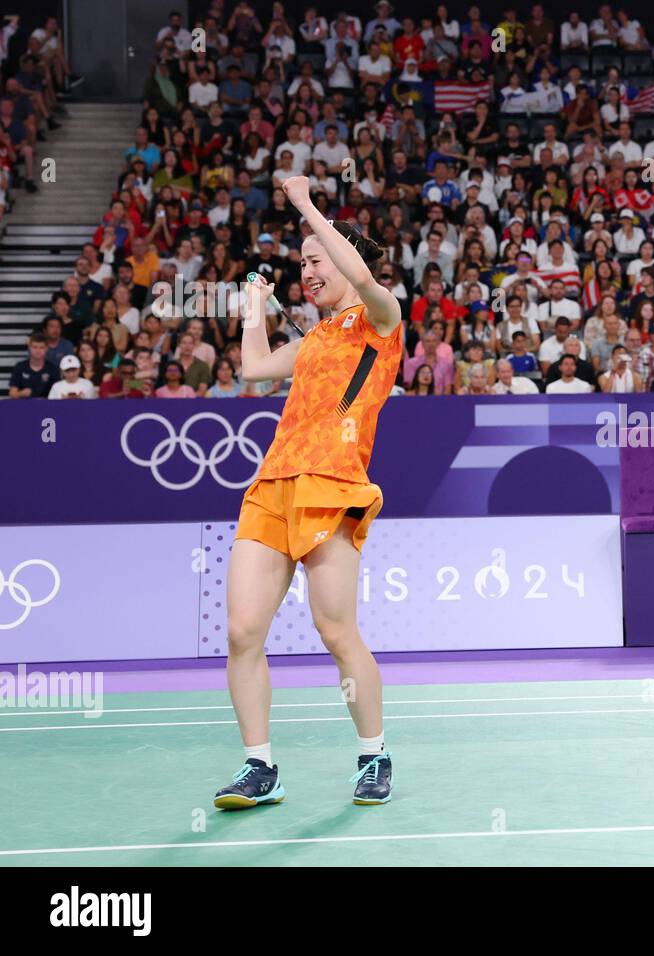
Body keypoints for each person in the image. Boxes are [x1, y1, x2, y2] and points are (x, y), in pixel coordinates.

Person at [215, 175, 403, 811]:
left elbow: (363, 275)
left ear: (345, 261)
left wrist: (305, 205)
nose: (307, 272)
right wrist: (253, 311)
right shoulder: (318, 337)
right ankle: (259, 767)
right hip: (272, 484)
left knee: (334, 628)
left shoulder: (381, 320)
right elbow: (254, 369)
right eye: (301, 265)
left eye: (315, 261)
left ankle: (374, 754)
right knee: (242, 630)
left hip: (333, 484)